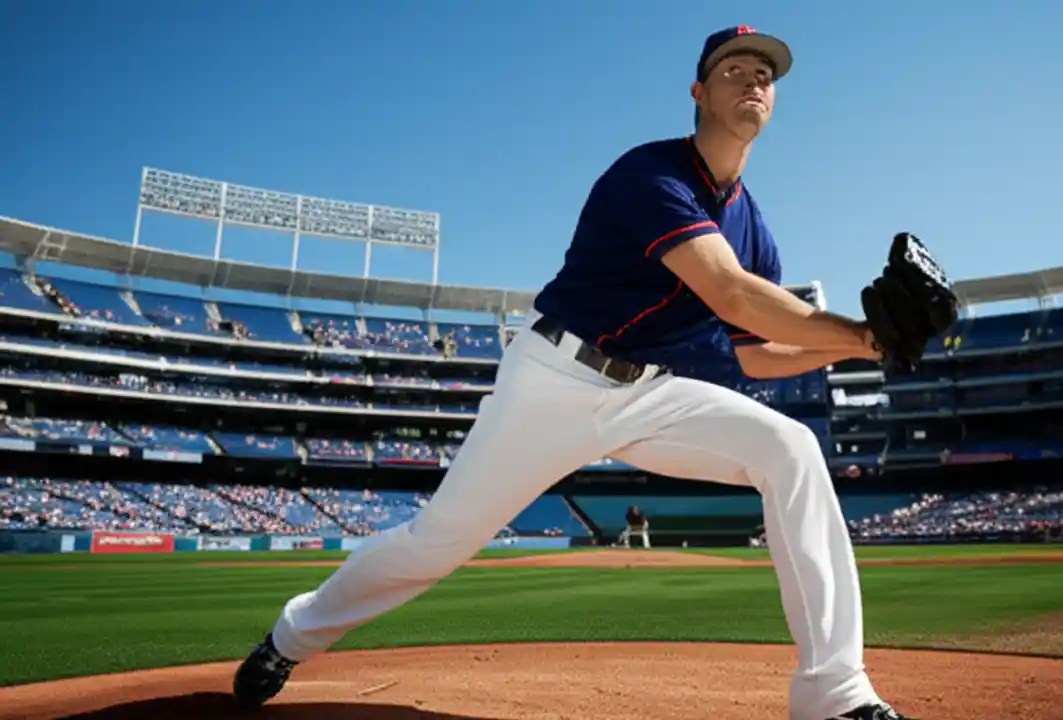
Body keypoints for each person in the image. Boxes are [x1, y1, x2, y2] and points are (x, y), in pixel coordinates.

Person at [234, 25, 918, 720]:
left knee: (791, 448)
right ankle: (291, 636)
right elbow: (732, 295)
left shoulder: (753, 230)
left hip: (649, 392)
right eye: (734, 70)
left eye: (764, 76)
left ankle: (835, 693)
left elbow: (753, 353)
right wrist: (859, 331)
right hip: (553, 380)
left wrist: (871, 347)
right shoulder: (651, 174)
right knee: (436, 542)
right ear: (699, 92)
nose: (753, 83)